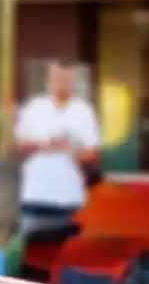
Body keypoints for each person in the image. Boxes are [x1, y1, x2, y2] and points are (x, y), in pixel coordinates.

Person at [14, 59, 101, 229]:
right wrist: (45, 145)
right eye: (58, 78)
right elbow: (19, 146)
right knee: (34, 243)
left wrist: (71, 149)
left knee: (68, 245)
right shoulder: (34, 108)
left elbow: (93, 153)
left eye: (67, 79)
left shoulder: (83, 111)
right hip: (35, 194)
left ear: (74, 82)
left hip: (70, 196)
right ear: (49, 80)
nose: (62, 83)